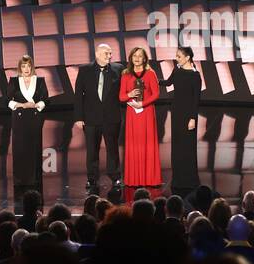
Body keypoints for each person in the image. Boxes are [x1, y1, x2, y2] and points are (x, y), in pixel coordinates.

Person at [73, 43, 125, 194]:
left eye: (110, 53)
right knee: (92, 150)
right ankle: (92, 178)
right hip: (90, 118)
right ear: (97, 54)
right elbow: (78, 96)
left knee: (112, 148)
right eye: (106, 53)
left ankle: (115, 176)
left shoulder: (118, 69)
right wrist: (78, 117)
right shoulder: (84, 70)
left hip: (112, 117)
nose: (109, 56)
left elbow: (124, 90)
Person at [119, 46, 161, 192]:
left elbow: (156, 94)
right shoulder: (125, 74)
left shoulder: (150, 73)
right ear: (131, 58)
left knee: (147, 144)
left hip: (147, 112)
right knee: (134, 144)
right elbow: (121, 96)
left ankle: (150, 178)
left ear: (144, 58)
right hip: (132, 114)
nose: (137, 58)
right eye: (134, 56)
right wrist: (130, 94)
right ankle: (134, 179)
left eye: (140, 56)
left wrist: (142, 103)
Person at [7, 55, 48, 198]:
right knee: (20, 148)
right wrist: (21, 105)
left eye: (28, 66)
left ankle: (33, 179)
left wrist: (36, 105)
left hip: (34, 118)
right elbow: (8, 101)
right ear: (20, 67)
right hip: (19, 118)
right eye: (23, 66)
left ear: (32, 67)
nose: (26, 69)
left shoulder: (40, 81)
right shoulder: (13, 81)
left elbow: (45, 99)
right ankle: (20, 180)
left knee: (34, 147)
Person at [162, 45, 201, 195]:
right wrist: (151, 77)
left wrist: (192, 118)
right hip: (177, 112)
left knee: (188, 146)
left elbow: (196, 99)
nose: (176, 58)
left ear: (187, 58)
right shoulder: (177, 70)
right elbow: (168, 82)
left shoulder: (195, 76)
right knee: (177, 145)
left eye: (179, 56)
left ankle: (189, 179)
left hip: (188, 115)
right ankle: (178, 178)